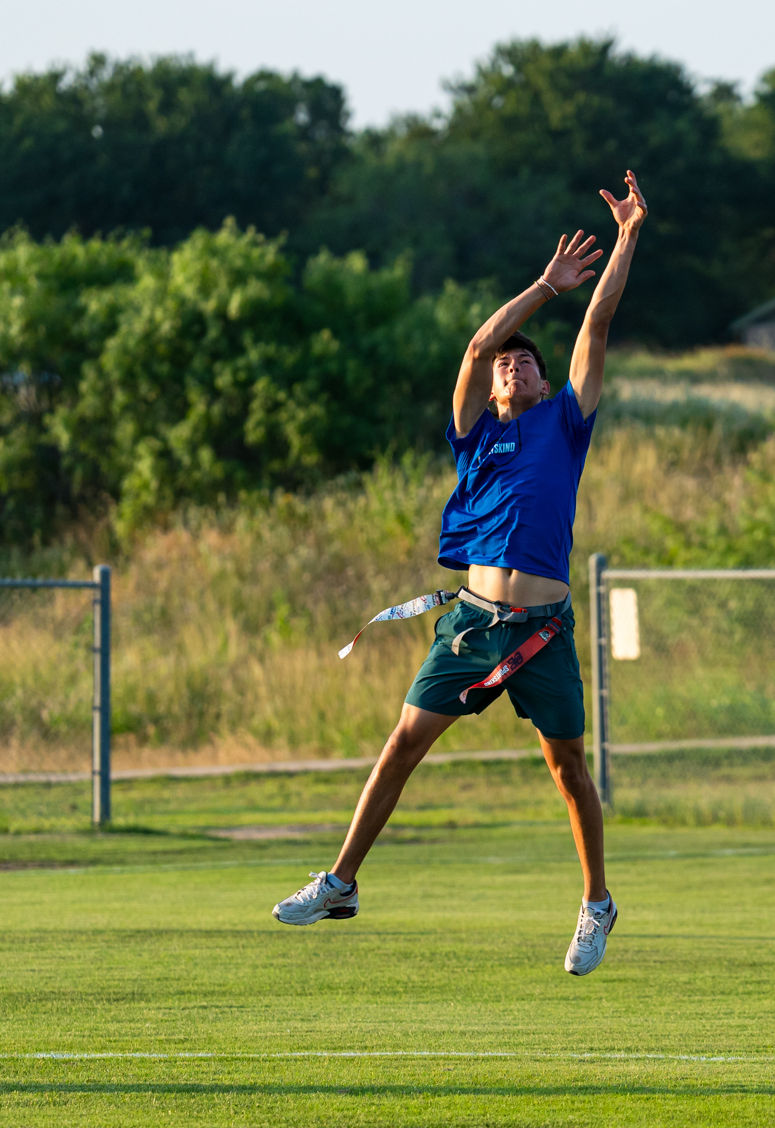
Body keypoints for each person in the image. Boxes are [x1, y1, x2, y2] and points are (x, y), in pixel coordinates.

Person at [271, 171, 648, 978]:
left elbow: (599, 324)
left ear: (546, 384)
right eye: (507, 362)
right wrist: (543, 287)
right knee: (401, 744)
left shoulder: (565, 424)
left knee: (567, 768)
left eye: (526, 363)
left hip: (541, 630)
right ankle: (341, 881)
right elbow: (477, 345)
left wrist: (626, 237)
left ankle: (596, 903)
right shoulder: (473, 433)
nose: (512, 364)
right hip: (472, 622)